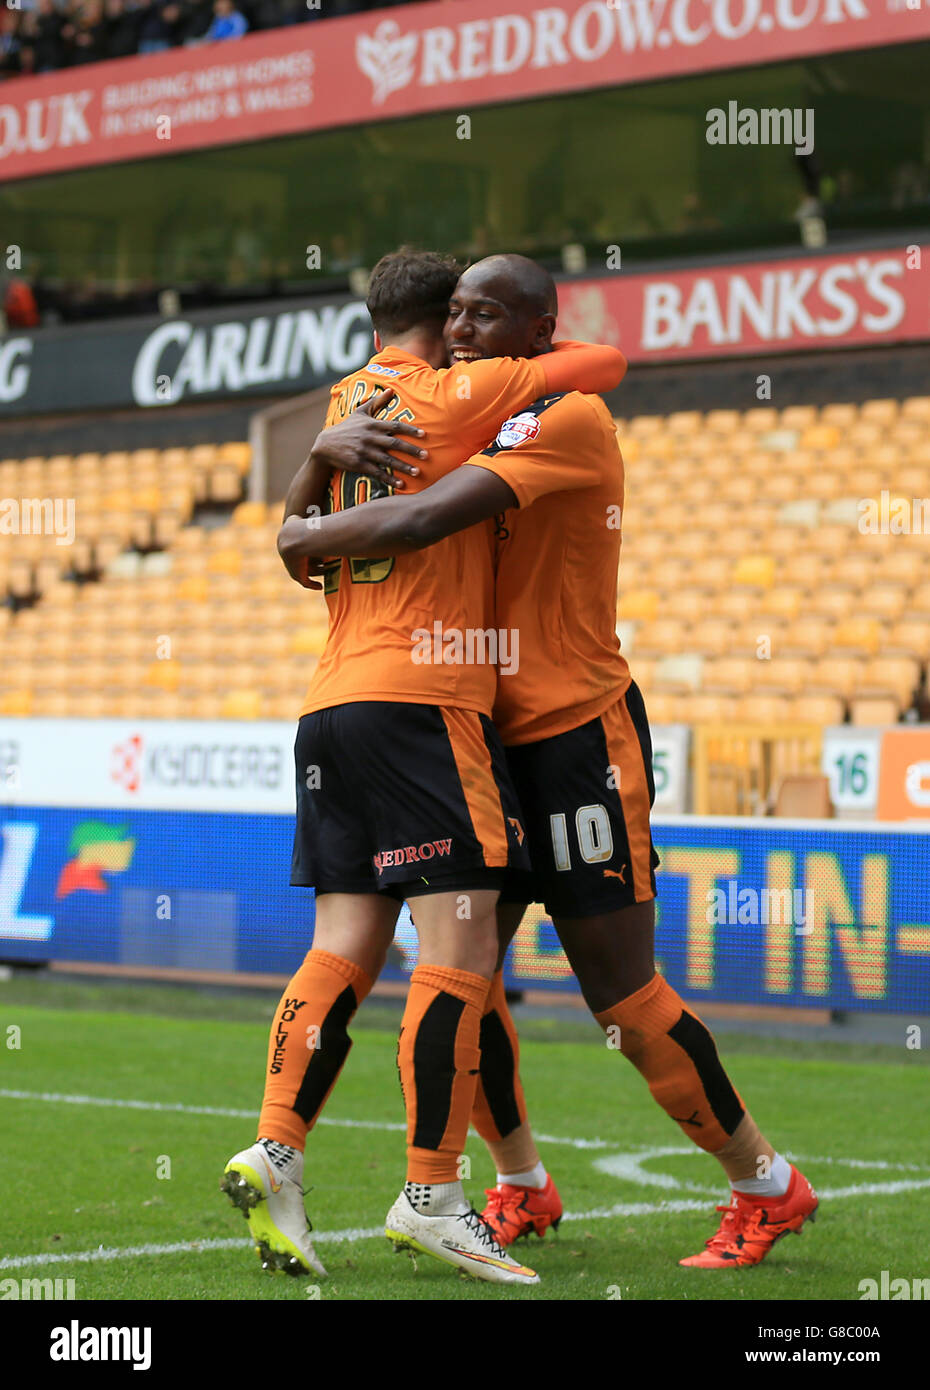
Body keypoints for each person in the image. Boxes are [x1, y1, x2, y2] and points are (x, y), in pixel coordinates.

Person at [283, 253, 820, 1271]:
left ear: (535, 329)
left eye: (488, 316)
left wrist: (294, 531)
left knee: (622, 994)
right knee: (463, 973)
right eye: (456, 313)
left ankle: (767, 1183)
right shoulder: (471, 407)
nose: (465, 329)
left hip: (577, 732)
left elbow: (417, 516)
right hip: (482, 727)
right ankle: (522, 1184)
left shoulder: (565, 418)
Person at [222, 249, 627, 1286]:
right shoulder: (450, 395)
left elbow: (296, 547)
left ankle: (276, 1148)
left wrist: (312, 473)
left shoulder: (343, 405)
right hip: (422, 698)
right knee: (460, 945)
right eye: (461, 314)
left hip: (329, 707)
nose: (466, 331)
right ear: (443, 320)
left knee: (343, 944)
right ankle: (434, 1192)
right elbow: (603, 360)